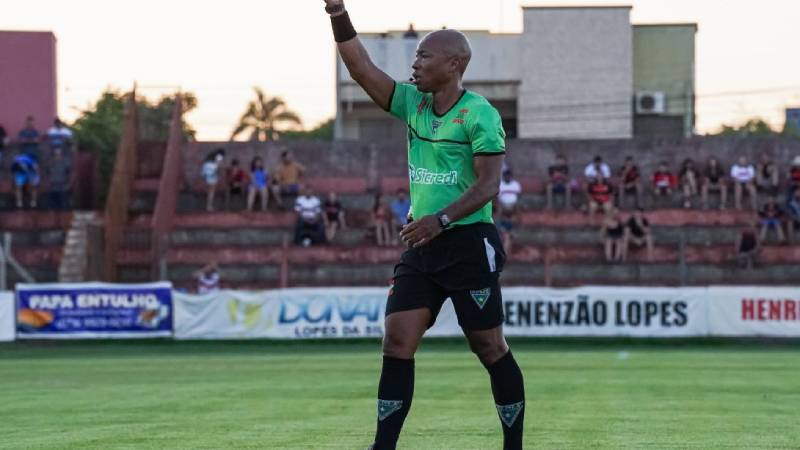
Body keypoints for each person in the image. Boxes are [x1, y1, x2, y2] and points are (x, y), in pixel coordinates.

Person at [324, 2, 525, 448]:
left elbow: (490, 184)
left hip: (469, 242)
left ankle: (514, 445)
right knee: (397, 342)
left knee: (489, 348)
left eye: (423, 56)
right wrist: (337, 11)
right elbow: (360, 68)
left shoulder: (480, 114)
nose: (414, 64)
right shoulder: (412, 104)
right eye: (415, 57)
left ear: (454, 65)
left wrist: (443, 218)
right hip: (422, 243)